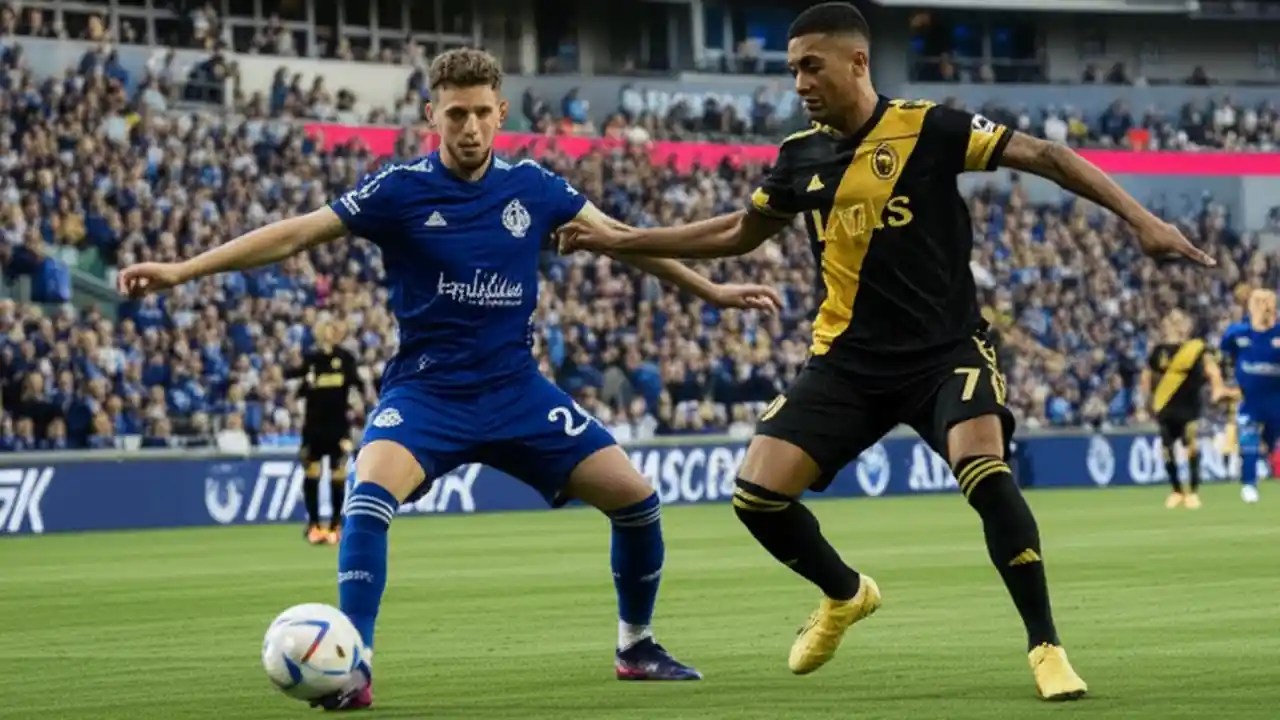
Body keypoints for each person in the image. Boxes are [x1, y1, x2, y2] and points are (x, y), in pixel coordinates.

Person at [560, 1, 1212, 702]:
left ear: (857, 61)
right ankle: (845, 594)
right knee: (755, 495)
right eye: (793, 71)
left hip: (945, 353)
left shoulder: (930, 128)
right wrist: (621, 242)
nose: (800, 82)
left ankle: (1047, 645)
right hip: (847, 361)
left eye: (812, 66)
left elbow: (1048, 156)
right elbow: (737, 234)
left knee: (984, 470)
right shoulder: (797, 156)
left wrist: (1145, 221)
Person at [119, 47, 783, 710]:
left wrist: (713, 292)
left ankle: (636, 647)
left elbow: (627, 239)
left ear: (502, 114)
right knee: (367, 495)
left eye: (482, 114)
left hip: (517, 391)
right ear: (430, 113)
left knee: (636, 498)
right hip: (427, 393)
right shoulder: (399, 190)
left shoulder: (536, 189)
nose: (470, 127)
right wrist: (183, 270)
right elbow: (295, 235)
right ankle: (356, 667)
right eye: (456, 113)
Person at [1138, 309, 1236, 509]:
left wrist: (1218, 388)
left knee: (1190, 443)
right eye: (1172, 322)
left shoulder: (1197, 349)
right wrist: (1142, 403)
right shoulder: (1159, 351)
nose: (1176, 326)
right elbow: (1147, 376)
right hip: (1165, 405)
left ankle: (1192, 491)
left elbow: (1212, 369)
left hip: (1189, 404)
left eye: (1180, 322)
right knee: (1167, 447)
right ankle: (1176, 490)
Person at [285, 318, 365, 545]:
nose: (330, 332)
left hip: (338, 426)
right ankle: (314, 524)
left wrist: (360, 403)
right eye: (326, 328)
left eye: (332, 328)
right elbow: (294, 378)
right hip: (314, 427)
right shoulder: (312, 360)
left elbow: (358, 386)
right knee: (312, 473)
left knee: (337, 474)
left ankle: (336, 524)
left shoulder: (346, 358)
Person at [1218, 288, 1280, 504]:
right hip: (1249, 400)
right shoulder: (1238, 333)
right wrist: (1225, 384)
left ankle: (1268, 456)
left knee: (1271, 442)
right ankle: (1249, 484)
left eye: (1267, 303)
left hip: (1276, 400)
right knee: (1248, 441)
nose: (1264, 308)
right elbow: (1223, 357)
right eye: (1259, 303)